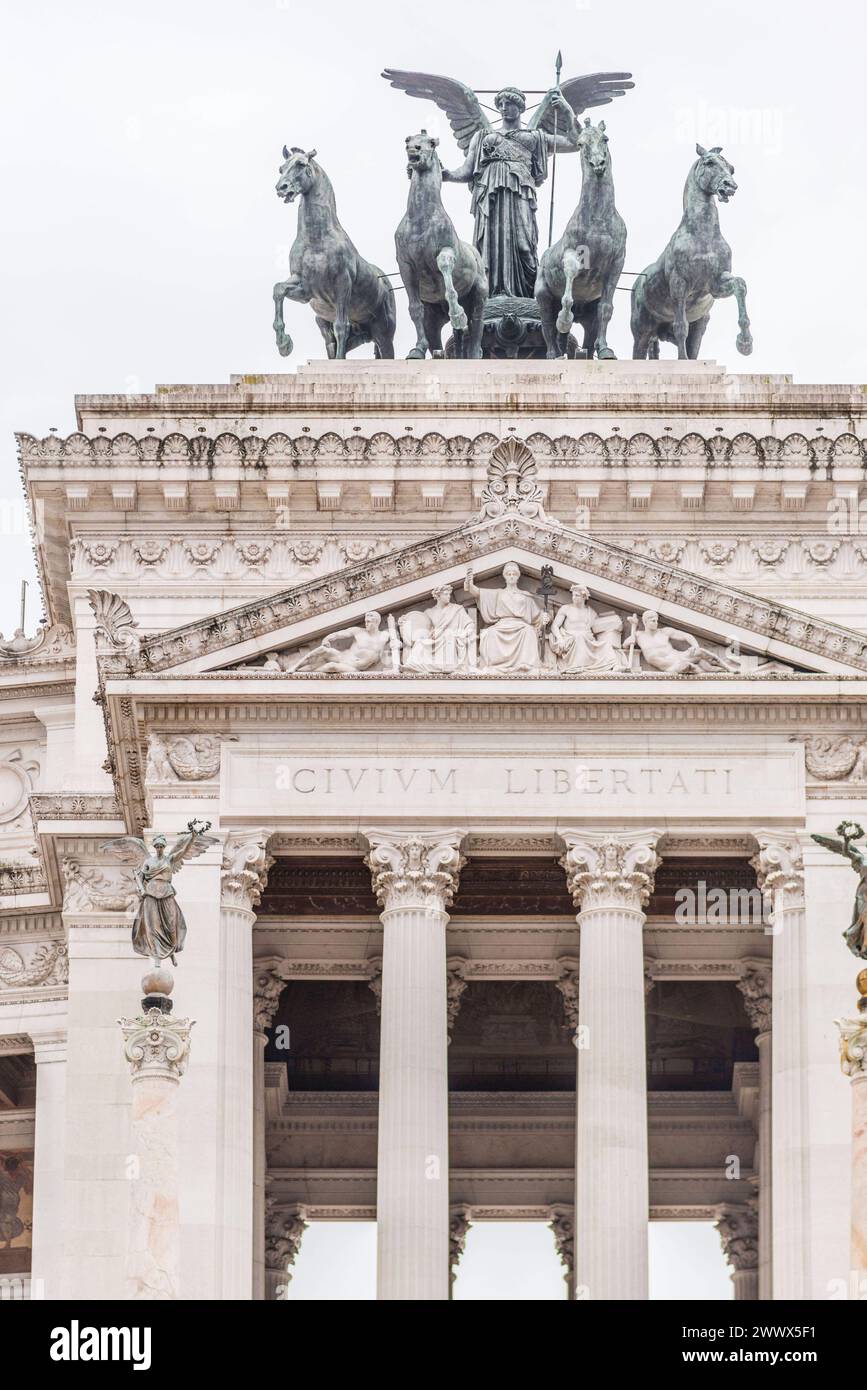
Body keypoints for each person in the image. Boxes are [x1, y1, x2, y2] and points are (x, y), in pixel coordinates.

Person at [464, 563, 549, 671]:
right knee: (491, 633)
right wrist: (470, 583)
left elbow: (537, 615)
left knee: (529, 631)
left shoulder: (525, 595)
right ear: (505, 576)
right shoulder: (498, 593)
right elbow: (477, 593)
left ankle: (527, 665)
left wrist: (545, 617)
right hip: (502, 625)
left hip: (521, 626)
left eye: (514, 574)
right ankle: (495, 665)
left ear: (518, 576)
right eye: (509, 574)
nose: (511, 576)